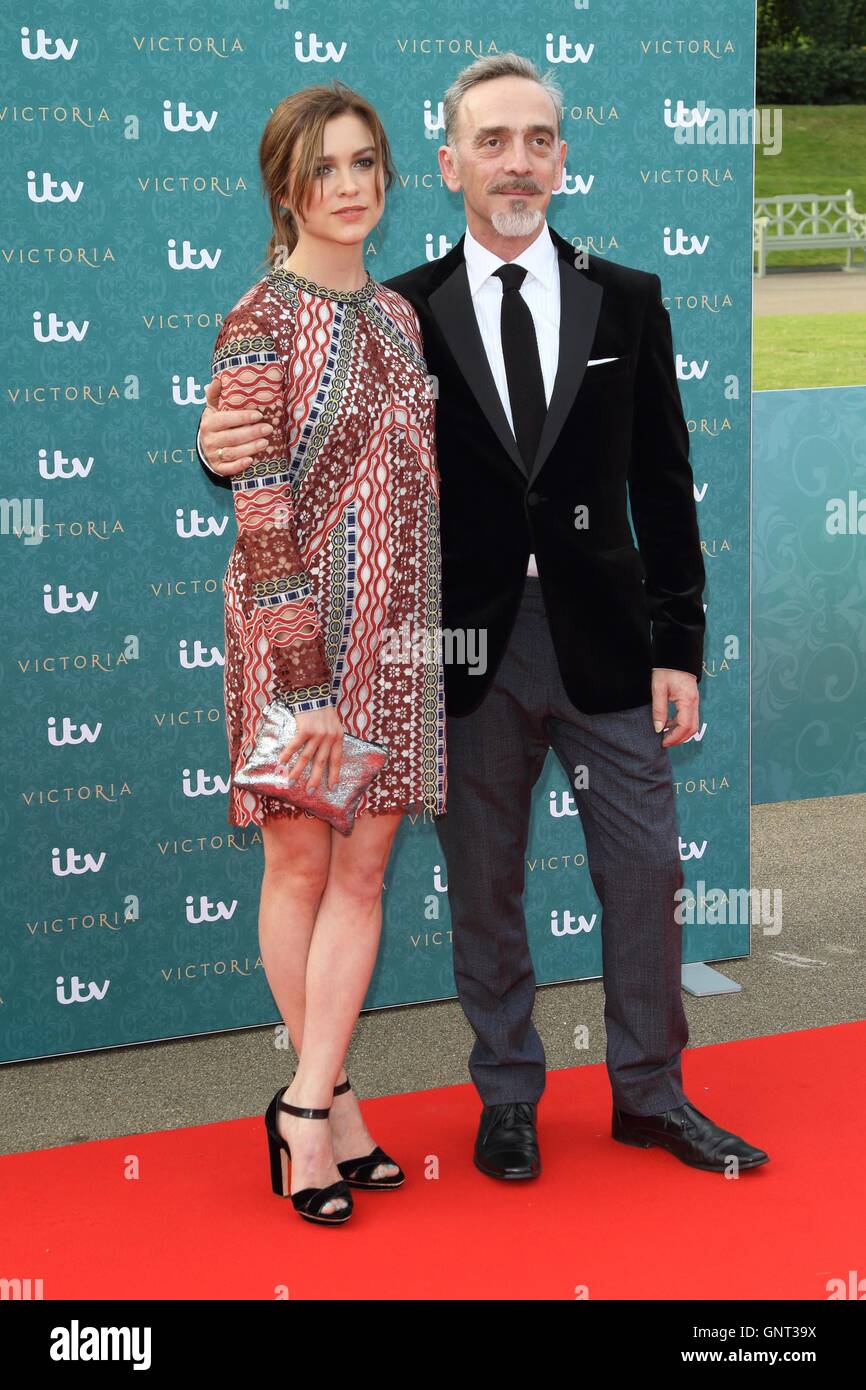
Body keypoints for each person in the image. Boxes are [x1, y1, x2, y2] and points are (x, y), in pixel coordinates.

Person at [199, 54, 768, 1183]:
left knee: (646, 873)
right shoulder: (399, 306)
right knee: (484, 881)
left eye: (538, 140)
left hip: (604, 642)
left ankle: (650, 1094)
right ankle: (504, 1094)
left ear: (562, 157)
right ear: (451, 161)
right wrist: (212, 452)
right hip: (448, 650)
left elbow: (664, 484)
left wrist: (680, 645)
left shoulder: (631, 299)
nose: (517, 160)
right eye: (492, 141)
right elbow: (293, 428)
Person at [204, 81, 446, 1225]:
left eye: (364, 164)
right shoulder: (257, 319)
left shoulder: (400, 319)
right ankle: (316, 1116)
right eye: (324, 170)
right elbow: (260, 510)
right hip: (293, 643)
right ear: (286, 188)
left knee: (363, 873)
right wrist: (303, 687)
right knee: (298, 868)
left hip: (397, 647)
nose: (349, 186)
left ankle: (317, 1096)